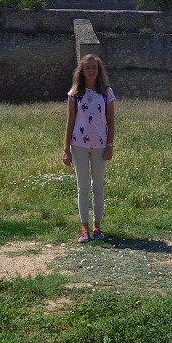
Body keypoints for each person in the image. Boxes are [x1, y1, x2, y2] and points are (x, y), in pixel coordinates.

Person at [62, 53, 116, 242]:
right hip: (79, 145)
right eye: (87, 68)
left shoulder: (106, 92)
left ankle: (97, 227)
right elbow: (70, 123)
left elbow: (110, 121)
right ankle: (84, 229)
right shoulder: (75, 94)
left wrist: (110, 145)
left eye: (94, 67)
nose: (91, 70)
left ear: (98, 70)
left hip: (101, 145)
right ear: (82, 71)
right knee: (83, 187)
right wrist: (66, 149)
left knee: (98, 187)